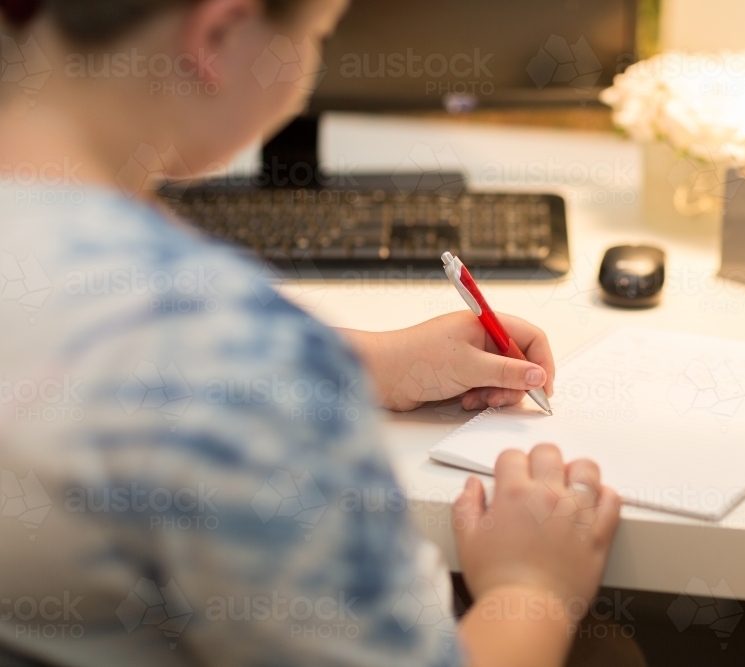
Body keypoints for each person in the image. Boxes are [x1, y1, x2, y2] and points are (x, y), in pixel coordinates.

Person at [0, 1, 625, 666]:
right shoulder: (234, 349)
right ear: (219, 33)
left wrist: (369, 359)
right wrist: (533, 589)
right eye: (316, 35)